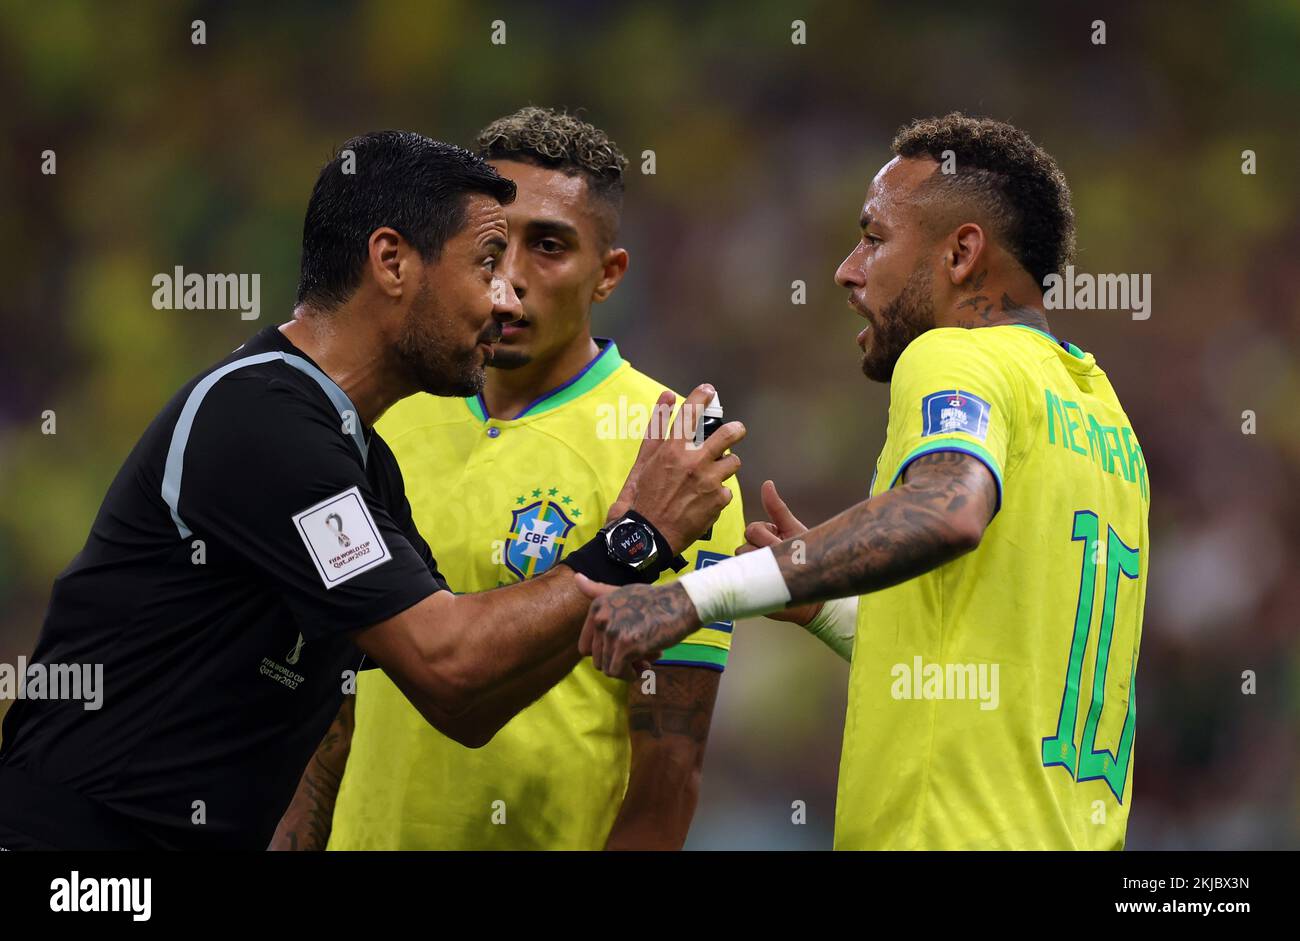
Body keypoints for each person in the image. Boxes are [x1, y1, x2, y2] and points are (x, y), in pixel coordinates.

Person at [0, 130, 742, 850]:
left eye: (537, 250)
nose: (502, 298)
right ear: (392, 261)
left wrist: (633, 547)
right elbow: (448, 658)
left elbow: (464, 698)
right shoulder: (262, 420)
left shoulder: (361, 458)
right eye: (485, 261)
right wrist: (636, 537)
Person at [576, 113, 1150, 850]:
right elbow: (995, 667)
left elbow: (948, 510)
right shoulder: (1103, 418)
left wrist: (693, 595)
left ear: (962, 253)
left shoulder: (957, 354)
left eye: (874, 238)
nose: (848, 268)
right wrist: (821, 602)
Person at [273, 108, 745, 851]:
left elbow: (669, 773)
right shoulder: (386, 416)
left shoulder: (674, 454)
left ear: (608, 274)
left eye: (549, 246)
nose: (512, 280)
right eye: (494, 248)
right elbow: (332, 714)